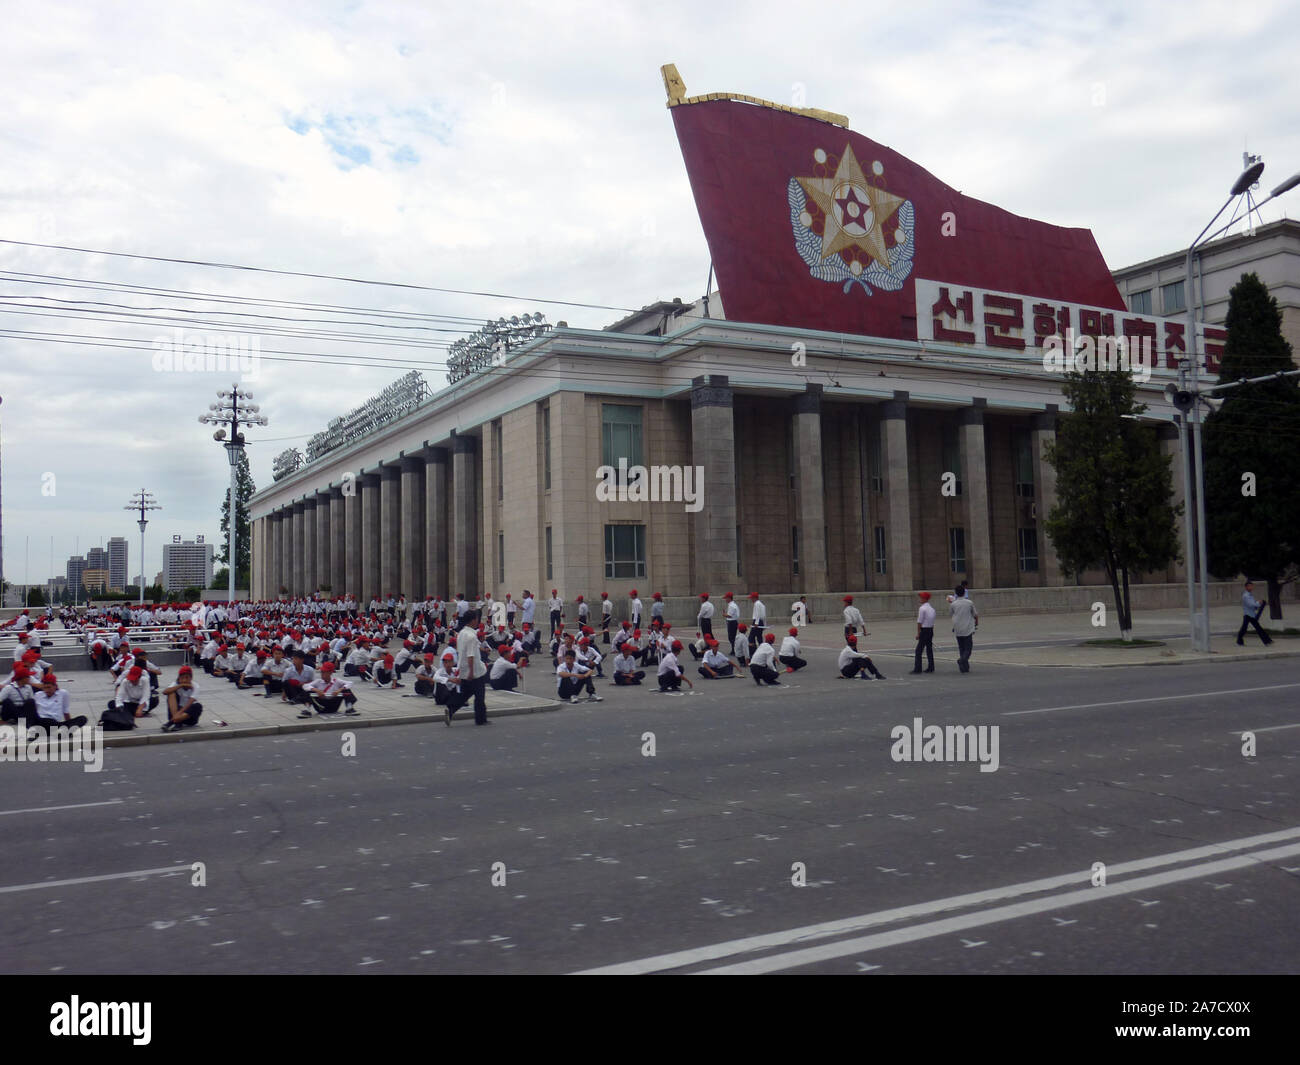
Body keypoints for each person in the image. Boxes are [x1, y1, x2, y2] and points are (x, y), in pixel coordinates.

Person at [455, 610, 490, 726]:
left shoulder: (461, 633)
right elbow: (471, 655)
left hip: (463, 667)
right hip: (474, 670)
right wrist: (471, 671)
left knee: (465, 694)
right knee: (479, 695)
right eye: (476, 619)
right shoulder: (471, 636)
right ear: (473, 620)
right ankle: (480, 719)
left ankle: (450, 708)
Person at [160, 666, 203, 731]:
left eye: (187, 678)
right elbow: (165, 692)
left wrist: (178, 714)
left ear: (191, 678)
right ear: (179, 678)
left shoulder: (195, 686)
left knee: (197, 706)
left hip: (188, 716)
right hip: (175, 713)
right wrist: (181, 685)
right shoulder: (176, 684)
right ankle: (177, 723)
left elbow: (189, 703)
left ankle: (171, 723)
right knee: (171, 693)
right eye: (182, 678)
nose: (184, 680)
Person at [950, 586, 978, 673]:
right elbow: (975, 614)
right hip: (968, 628)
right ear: (964, 592)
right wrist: (976, 623)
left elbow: (951, 614)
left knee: (961, 648)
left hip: (957, 628)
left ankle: (965, 667)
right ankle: (962, 660)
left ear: (956, 593)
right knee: (968, 648)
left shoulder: (953, 604)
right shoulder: (969, 603)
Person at [1237, 581, 1273, 647]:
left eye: (1252, 586)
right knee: (1253, 628)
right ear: (1246, 587)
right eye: (1250, 586)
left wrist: (1257, 603)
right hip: (1248, 615)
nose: (1251, 587)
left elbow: (1253, 604)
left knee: (1248, 628)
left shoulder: (1249, 595)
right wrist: (1259, 602)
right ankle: (1267, 641)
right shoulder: (1246, 596)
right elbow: (1251, 604)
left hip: (1250, 614)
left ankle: (1267, 641)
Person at [911, 591, 936, 673]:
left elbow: (919, 622)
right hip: (930, 630)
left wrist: (918, 633)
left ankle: (918, 669)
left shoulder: (922, 608)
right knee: (929, 649)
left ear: (925, 599)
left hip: (924, 630)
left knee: (918, 650)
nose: (920, 599)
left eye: (921, 597)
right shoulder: (932, 609)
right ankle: (931, 667)